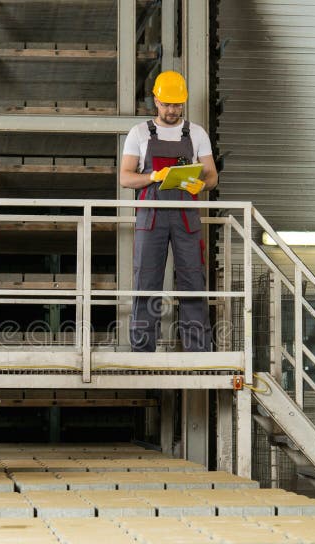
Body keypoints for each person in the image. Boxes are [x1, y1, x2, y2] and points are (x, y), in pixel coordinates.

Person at [119, 70, 219, 352]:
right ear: (156, 101)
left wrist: (201, 183)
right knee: (146, 281)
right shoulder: (138, 133)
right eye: (167, 104)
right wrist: (152, 177)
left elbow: (212, 177)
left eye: (177, 105)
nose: (172, 110)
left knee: (192, 281)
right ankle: (142, 350)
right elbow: (125, 177)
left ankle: (198, 350)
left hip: (186, 216)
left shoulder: (196, 133)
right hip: (150, 217)